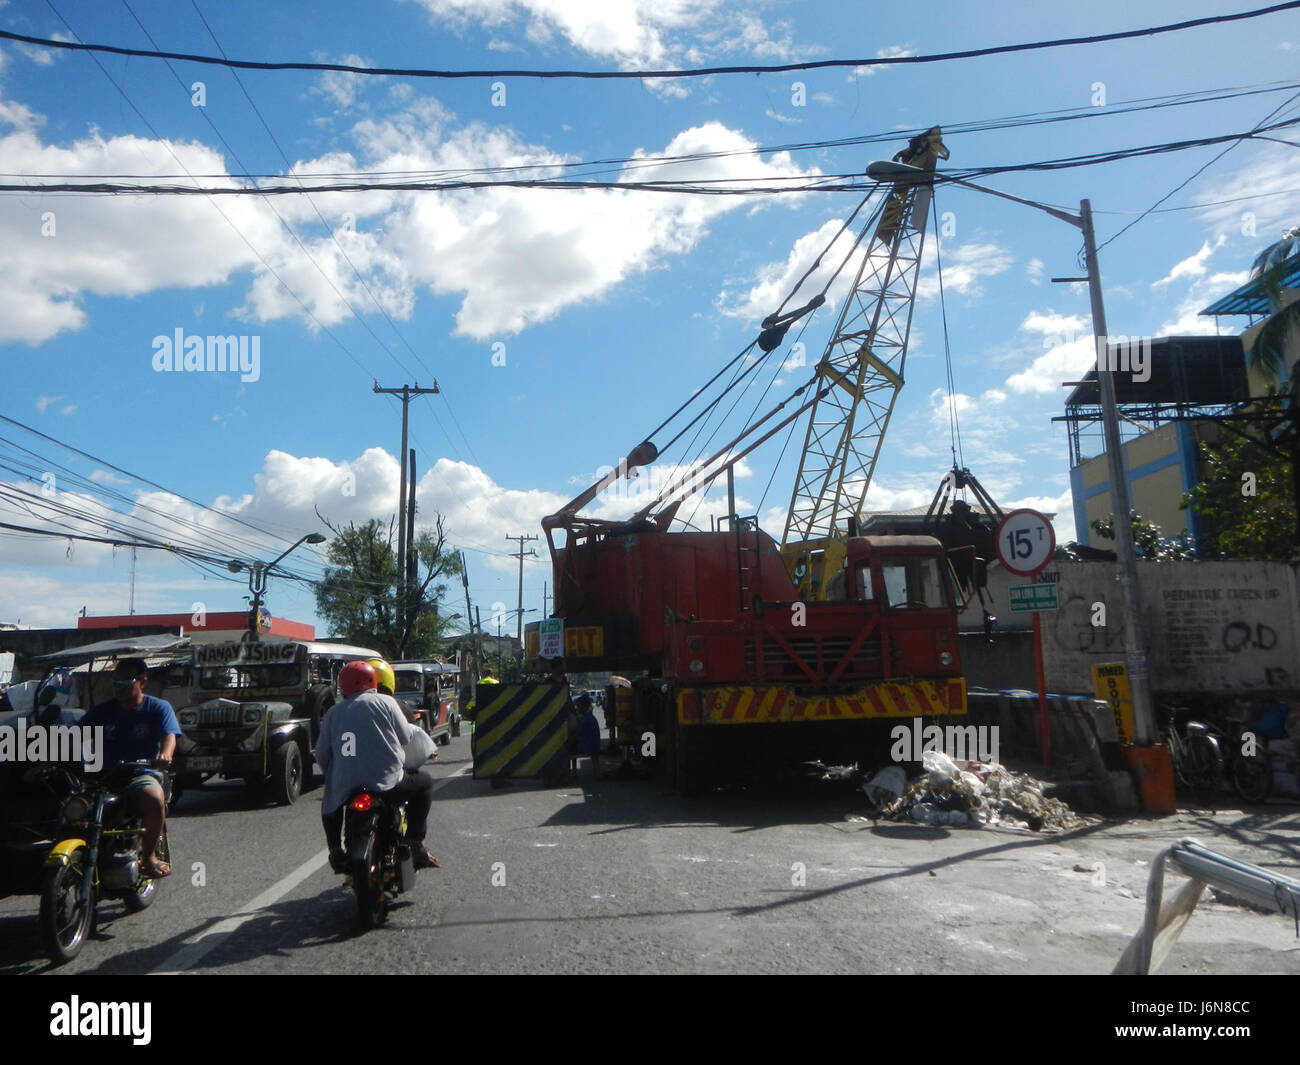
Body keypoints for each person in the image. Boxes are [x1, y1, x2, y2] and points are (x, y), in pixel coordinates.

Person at [315, 660, 439, 873]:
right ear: (373, 680)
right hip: (388, 784)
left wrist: (335, 777)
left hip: (347, 788)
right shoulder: (387, 702)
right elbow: (405, 736)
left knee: (330, 802)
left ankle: (335, 850)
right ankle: (415, 842)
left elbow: (322, 754)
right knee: (425, 783)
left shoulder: (334, 713)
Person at [77, 658, 181, 879]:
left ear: (142, 682)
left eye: (126, 682)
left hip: (139, 774)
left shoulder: (158, 708)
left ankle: (149, 856)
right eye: (116, 682)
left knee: (153, 799)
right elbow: (72, 737)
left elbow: (169, 736)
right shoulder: (102, 712)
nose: (119, 687)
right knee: (69, 807)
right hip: (101, 777)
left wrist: (165, 754)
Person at [573, 692, 601, 784]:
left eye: (578, 706)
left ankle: (567, 775)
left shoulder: (586, 720)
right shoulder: (589, 717)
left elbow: (577, 735)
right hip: (593, 746)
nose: (577, 708)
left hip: (587, 747)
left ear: (584, 706)